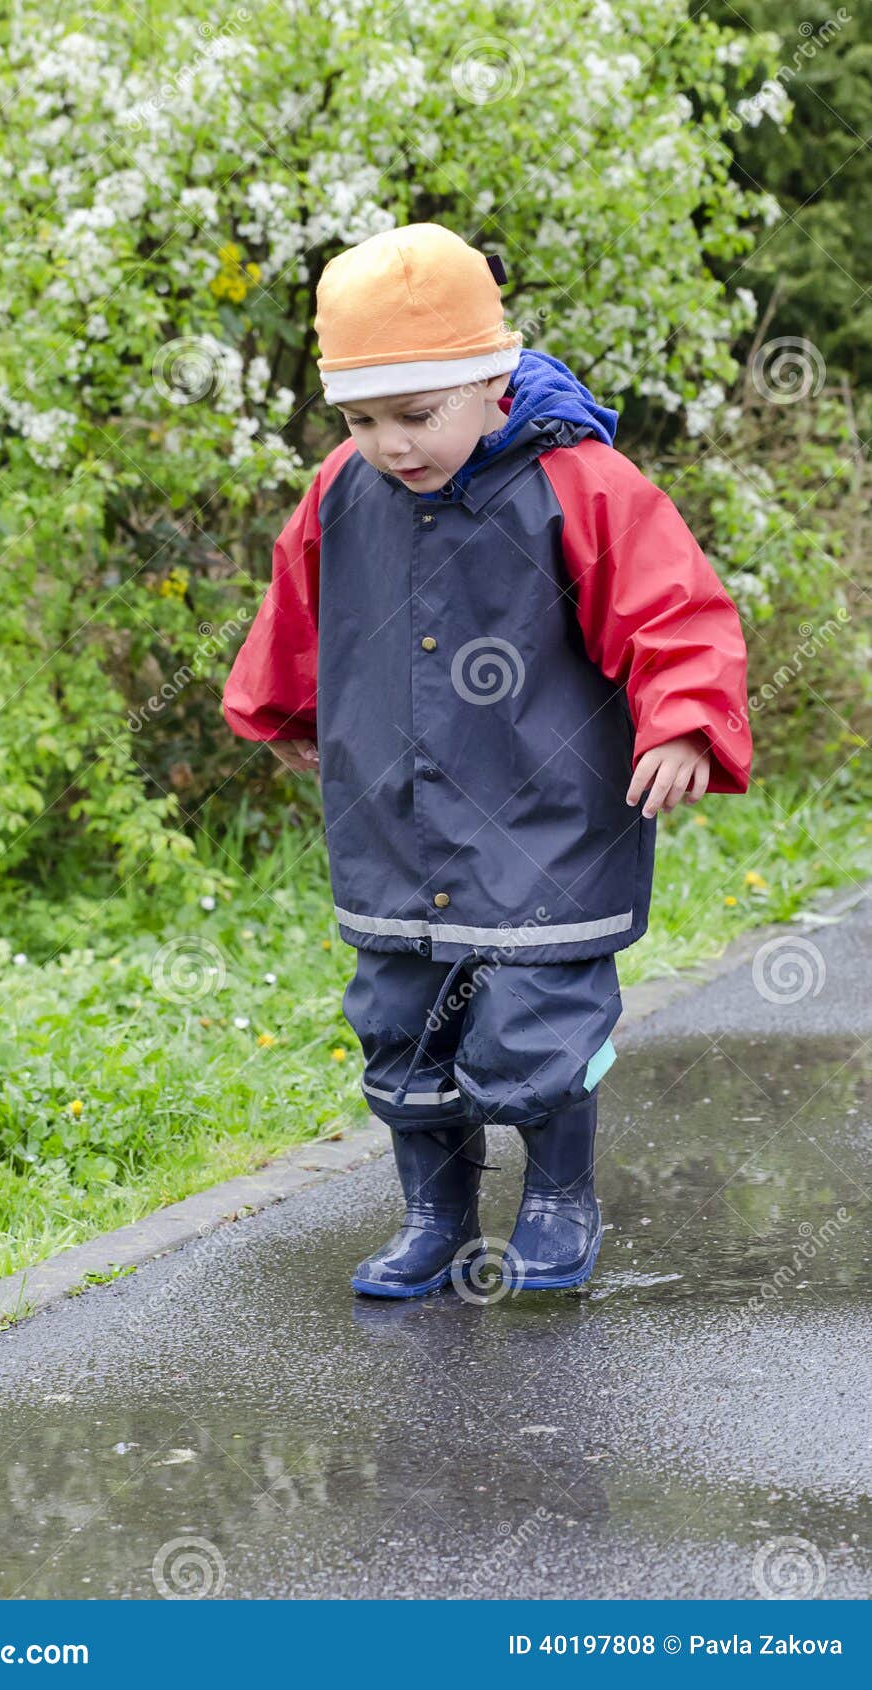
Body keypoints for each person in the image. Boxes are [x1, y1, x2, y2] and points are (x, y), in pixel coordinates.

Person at [221, 222, 752, 1299]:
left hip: (541, 813)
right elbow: (297, 609)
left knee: (534, 1021)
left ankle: (557, 1196)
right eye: (362, 418)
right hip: (393, 815)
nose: (391, 444)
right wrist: (285, 711)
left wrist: (686, 717)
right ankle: (435, 1213)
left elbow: (674, 609)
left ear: (490, 380)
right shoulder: (341, 490)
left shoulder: (581, 481)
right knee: (401, 1020)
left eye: (416, 415)